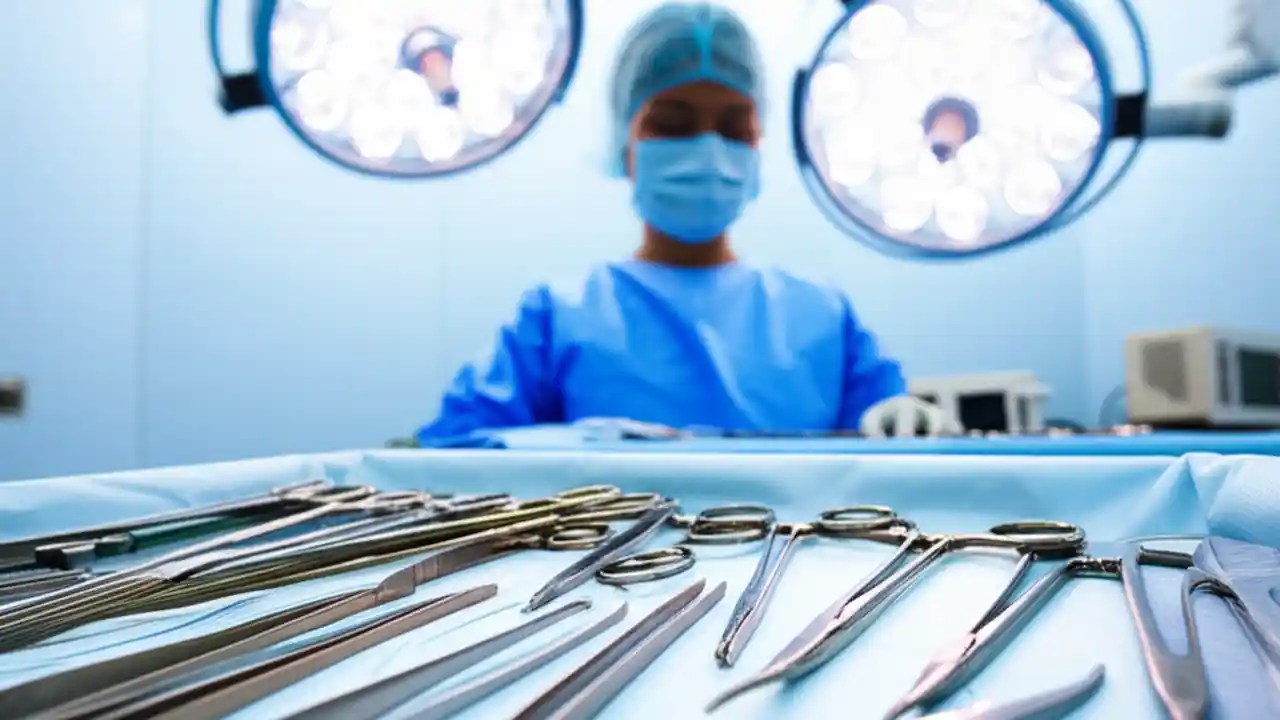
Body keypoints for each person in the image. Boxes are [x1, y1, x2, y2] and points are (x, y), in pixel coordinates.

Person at [416, 2, 958, 443]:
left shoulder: (823, 317)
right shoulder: (557, 317)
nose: (705, 148)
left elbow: (892, 447)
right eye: (673, 124)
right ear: (624, 143)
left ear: (757, 144)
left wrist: (904, 421)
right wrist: (582, 443)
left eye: (731, 127)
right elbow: (450, 455)